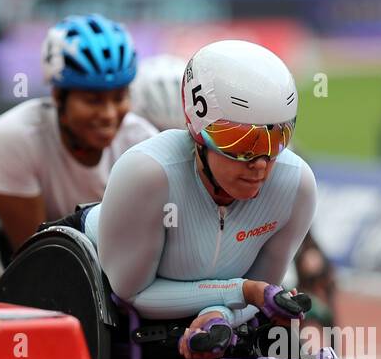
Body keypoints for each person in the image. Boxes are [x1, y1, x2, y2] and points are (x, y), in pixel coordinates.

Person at [83, 39, 317, 359]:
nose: (260, 164)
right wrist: (239, 295)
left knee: (294, 347)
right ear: (198, 131)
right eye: (239, 142)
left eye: (277, 141)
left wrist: (219, 316)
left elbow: (263, 293)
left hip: (208, 315)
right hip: (99, 289)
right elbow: (132, 293)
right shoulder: (146, 173)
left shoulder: (297, 184)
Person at [128, 51, 339, 329]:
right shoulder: (135, 162)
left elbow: (294, 230)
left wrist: (312, 254)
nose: (260, 165)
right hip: (163, 287)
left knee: (314, 279)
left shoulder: (286, 167)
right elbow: (131, 288)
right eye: (156, 133)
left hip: (242, 284)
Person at [0, 13, 156, 250]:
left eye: (119, 97)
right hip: (9, 250)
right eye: (93, 100)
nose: (109, 114)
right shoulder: (15, 136)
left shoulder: (142, 142)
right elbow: (34, 256)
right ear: (58, 96)